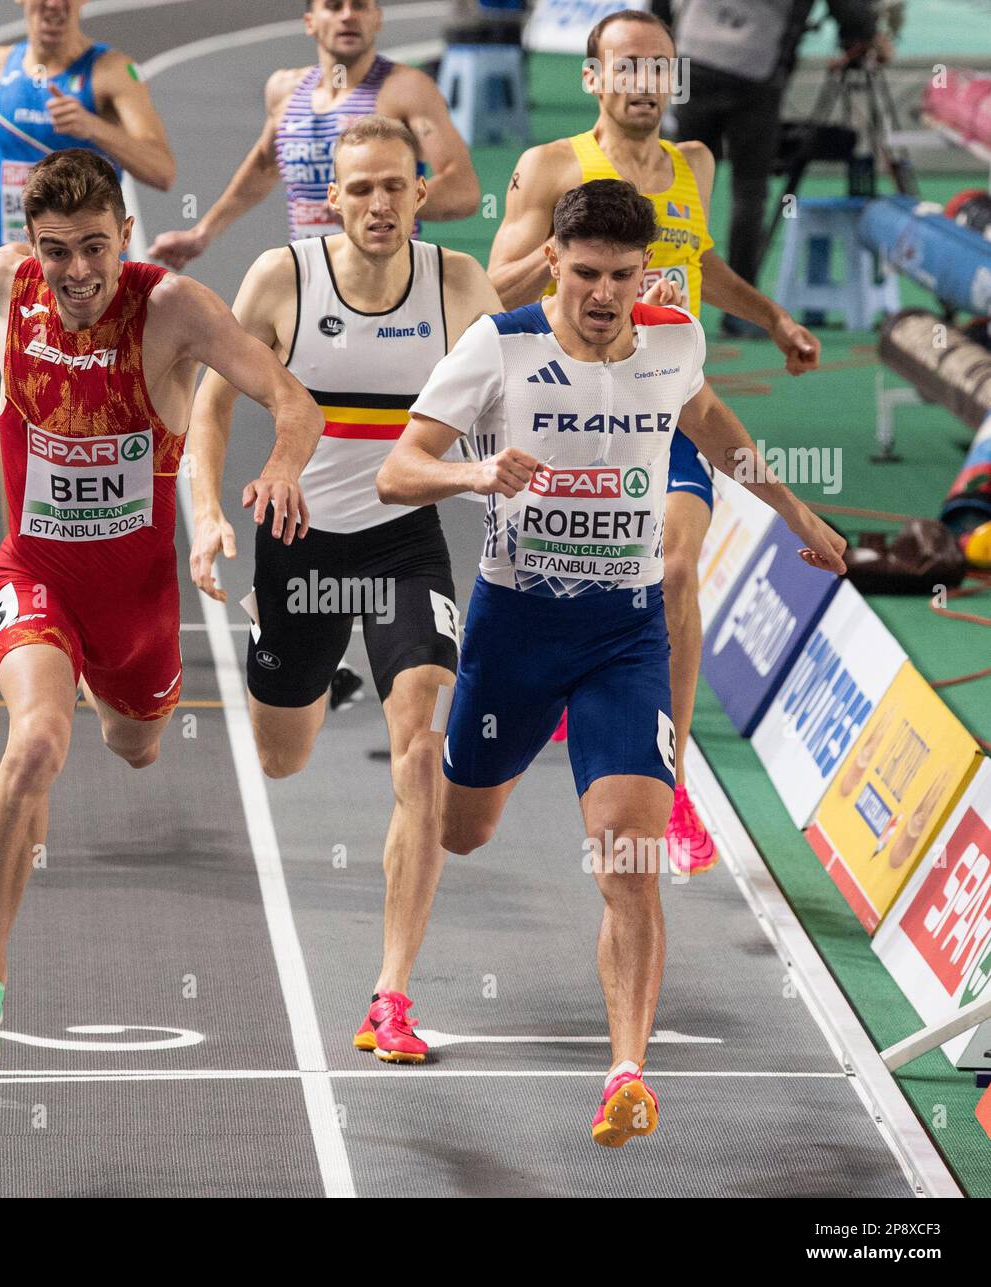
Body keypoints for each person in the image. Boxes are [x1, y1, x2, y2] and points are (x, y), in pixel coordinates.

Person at [377, 178, 845, 1143]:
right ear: (552, 260)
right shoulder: (500, 345)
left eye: (623, 276)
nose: (603, 293)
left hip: (622, 637)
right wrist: (475, 470)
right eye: (586, 272)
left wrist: (796, 512)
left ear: (644, 273)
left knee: (627, 859)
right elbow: (397, 470)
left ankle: (627, 1072)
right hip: (515, 628)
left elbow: (707, 420)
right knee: (461, 831)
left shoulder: (672, 338)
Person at [0, 149, 323, 1073]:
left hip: (138, 607)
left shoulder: (174, 309)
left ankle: (82, 727)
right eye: (56, 250)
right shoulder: (9, 278)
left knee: (135, 746)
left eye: (94, 247)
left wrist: (279, 466)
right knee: (34, 744)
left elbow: (294, 402)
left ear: (126, 236)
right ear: (33, 245)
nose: (76, 272)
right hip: (35, 576)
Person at [189, 115, 501, 1064]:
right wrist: (206, 515)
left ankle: (390, 994)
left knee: (422, 754)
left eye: (394, 186)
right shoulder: (283, 278)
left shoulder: (457, 285)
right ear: (331, 196)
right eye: (359, 188)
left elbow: (527, 371)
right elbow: (211, 405)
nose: (378, 204)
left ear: (420, 192)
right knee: (282, 755)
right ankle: (316, 674)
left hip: (405, 546)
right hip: (299, 544)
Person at [486, 7, 822, 874]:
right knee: (555, 586)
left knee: (675, 568)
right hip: (568, 414)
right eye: (625, 67)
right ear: (593, 78)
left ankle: (672, 779)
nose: (643, 84)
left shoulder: (693, 164)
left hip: (664, 412)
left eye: (658, 68)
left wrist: (773, 317)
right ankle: (563, 695)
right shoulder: (552, 167)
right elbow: (494, 290)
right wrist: (572, 258)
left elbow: (700, 263)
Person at [148, 0, 479, 269]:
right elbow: (265, 165)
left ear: (377, 19)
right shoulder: (285, 90)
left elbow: (462, 189)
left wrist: (370, 204)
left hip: (387, 277)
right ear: (310, 22)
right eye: (334, 6)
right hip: (308, 276)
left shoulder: (407, 90)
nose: (348, 15)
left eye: (359, 5)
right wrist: (202, 233)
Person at [0, 0, 175, 350]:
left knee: (85, 378)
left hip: (84, 273)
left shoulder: (112, 73)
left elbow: (162, 170)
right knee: (19, 379)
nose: (54, 5)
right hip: (11, 267)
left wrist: (93, 127)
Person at [653, 0, 887, 334]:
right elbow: (849, 10)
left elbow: (659, 7)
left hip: (694, 54)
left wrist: (663, 38)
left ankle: (659, 294)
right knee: (748, 190)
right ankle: (740, 314)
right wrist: (865, 35)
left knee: (680, 181)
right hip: (754, 68)